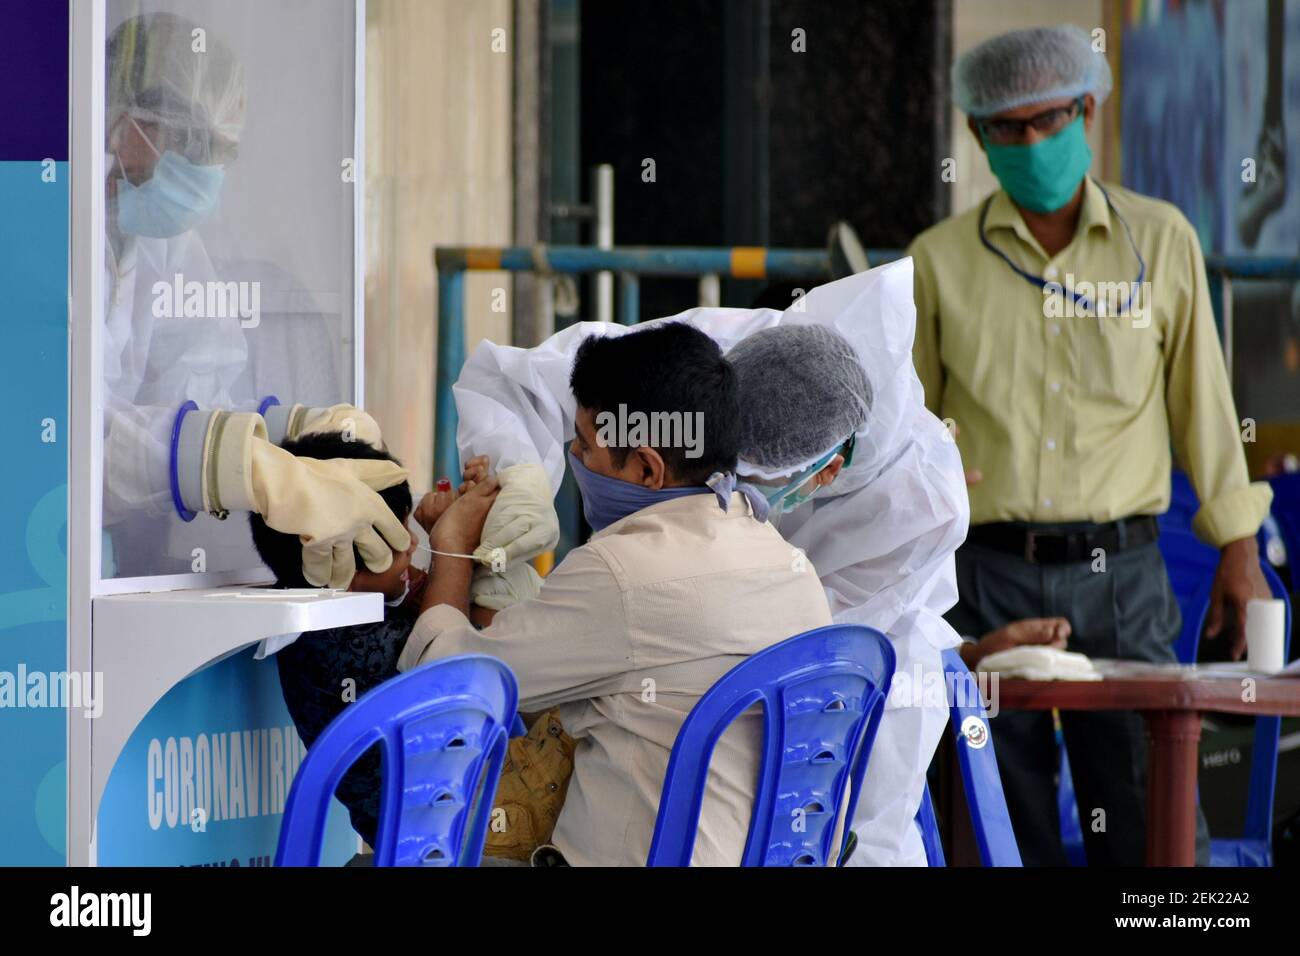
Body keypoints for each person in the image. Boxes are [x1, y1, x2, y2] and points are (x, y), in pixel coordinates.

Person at [449, 262, 968, 866]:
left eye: (740, 474)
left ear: (824, 471)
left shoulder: (919, 506)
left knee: (855, 839)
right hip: (688, 671)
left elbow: (785, 650)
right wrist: (519, 478)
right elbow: (517, 381)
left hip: (846, 687)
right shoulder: (724, 351)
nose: (713, 488)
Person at [909, 24, 1274, 865]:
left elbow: (1206, 410)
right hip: (983, 576)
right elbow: (911, 438)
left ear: (1088, 111)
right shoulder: (937, 263)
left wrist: (1239, 552)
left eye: (1050, 120)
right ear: (977, 137)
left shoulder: (1162, 242)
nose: (1032, 141)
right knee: (992, 821)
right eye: (1009, 128)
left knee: (1149, 814)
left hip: (1126, 576)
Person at [402, 323, 837, 866]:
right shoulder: (789, 566)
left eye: (586, 445)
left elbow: (441, 686)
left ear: (648, 468)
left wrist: (452, 547)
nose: (574, 458)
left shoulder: (620, 572)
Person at [104, 12, 406, 588]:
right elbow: (76, 446)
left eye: (219, 152)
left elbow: (198, 386)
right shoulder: (51, 237)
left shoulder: (160, 241)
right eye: (193, 144)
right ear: (123, 122)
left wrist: (299, 432)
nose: (206, 171)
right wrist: (253, 466)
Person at [247, 431, 421, 845]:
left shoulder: (333, 618)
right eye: (399, 534)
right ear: (346, 557)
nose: (414, 544)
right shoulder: (335, 651)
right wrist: (457, 547)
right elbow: (456, 656)